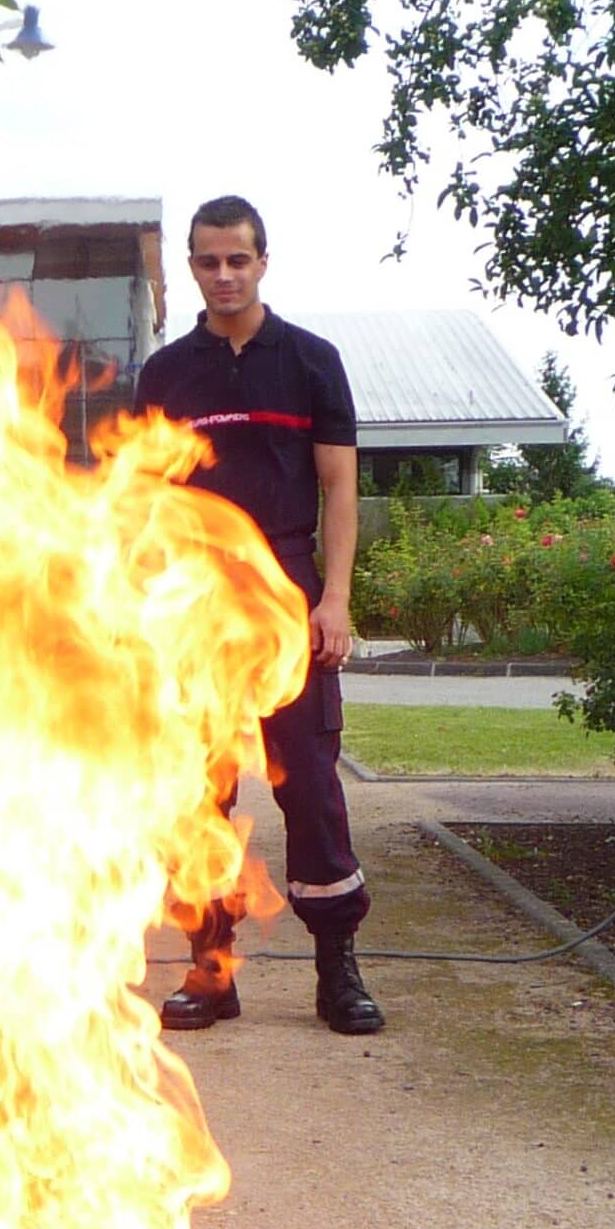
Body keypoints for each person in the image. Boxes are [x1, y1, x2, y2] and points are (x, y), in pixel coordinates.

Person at [132, 195, 383, 1036]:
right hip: (198, 603)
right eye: (208, 261)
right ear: (193, 266)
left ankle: (336, 970)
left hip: (291, 590)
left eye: (238, 259)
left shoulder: (311, 362)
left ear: (263, 261)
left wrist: (336, 598)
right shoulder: (167, 374)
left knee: (309, 784)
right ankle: (211, 968)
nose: (224, 275)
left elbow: (340, 487)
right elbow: (149, 501)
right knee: (199, 789)